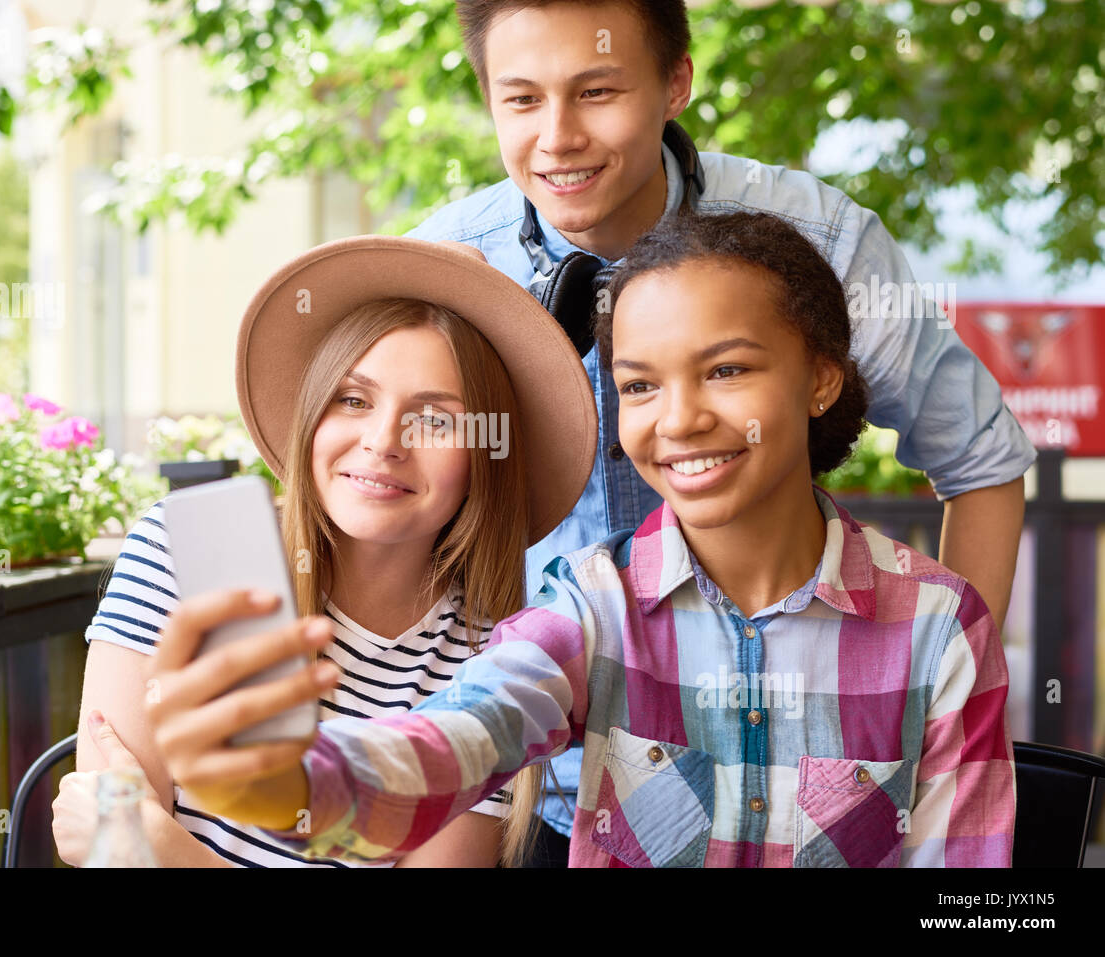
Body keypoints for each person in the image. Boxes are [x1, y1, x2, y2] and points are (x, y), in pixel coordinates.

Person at [145, 210, 1016, 867]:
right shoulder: (588, 607)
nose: (680, 420)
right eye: (639, 385)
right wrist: (288, 783)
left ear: (821, 377)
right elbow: (450, 743)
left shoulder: (941, 628)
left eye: (727, 369)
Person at [403, 0, 1034, 860]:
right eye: (521, 101)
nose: (557, 137)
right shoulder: (443, 267)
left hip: (814, 794)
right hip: (535, 788)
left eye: (595, 91)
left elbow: (983, 461)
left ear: (675, 84)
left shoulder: (824, 244)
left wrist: (936, 703)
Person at [52, 236, 595, 867]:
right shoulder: (190, 548)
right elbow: (105, 853)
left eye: (436, 420)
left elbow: (128, 846)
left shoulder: (498, 661)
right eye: (354, 400)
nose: (383, 442)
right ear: (314, 411)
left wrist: (173, 855)